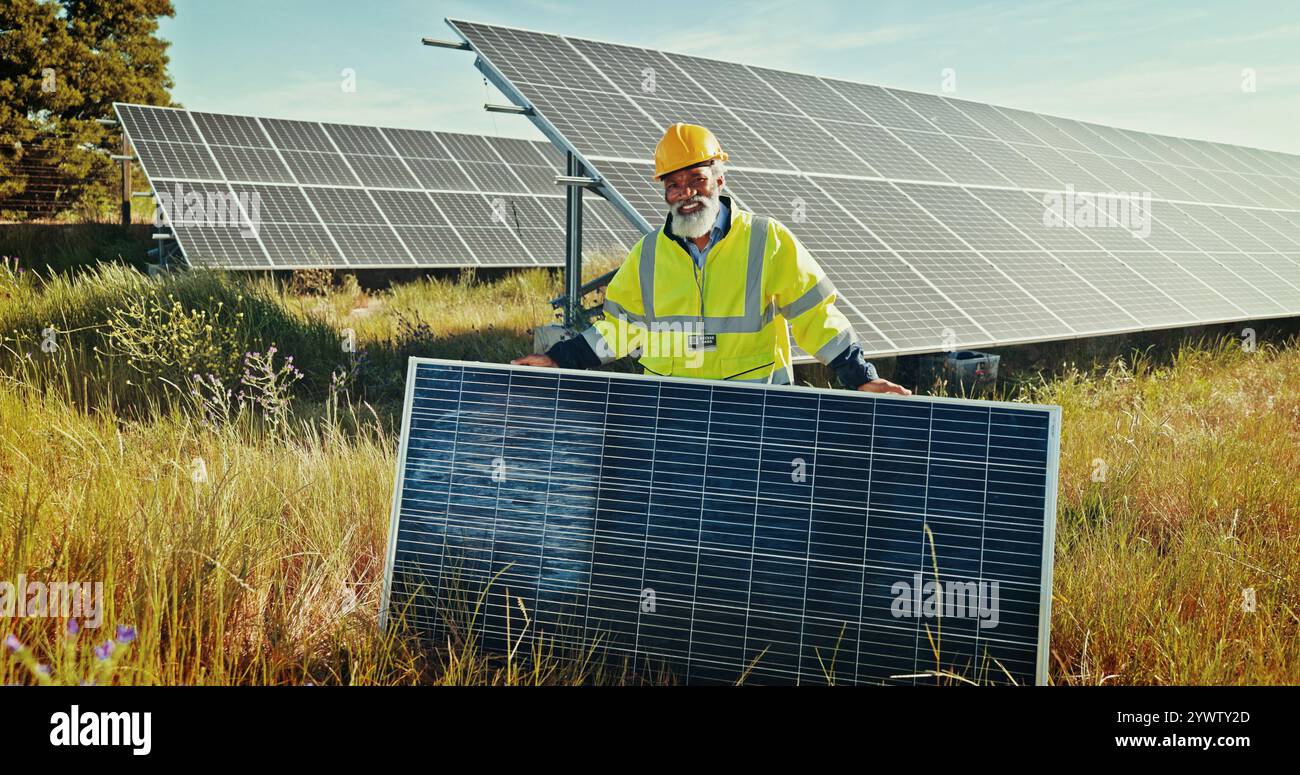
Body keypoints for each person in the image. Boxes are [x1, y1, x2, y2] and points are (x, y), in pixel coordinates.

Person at [513, 122, 910, 396]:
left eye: (696, 180)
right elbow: (620, 331)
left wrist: (860, 377)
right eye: (674, 185)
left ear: (719, 180)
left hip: (756, 415)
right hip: (671, 416)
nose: (686, 194)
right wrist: (557, 359)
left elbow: (814, 316)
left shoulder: (766, 239)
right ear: (665, 194)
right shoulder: (647, 254)